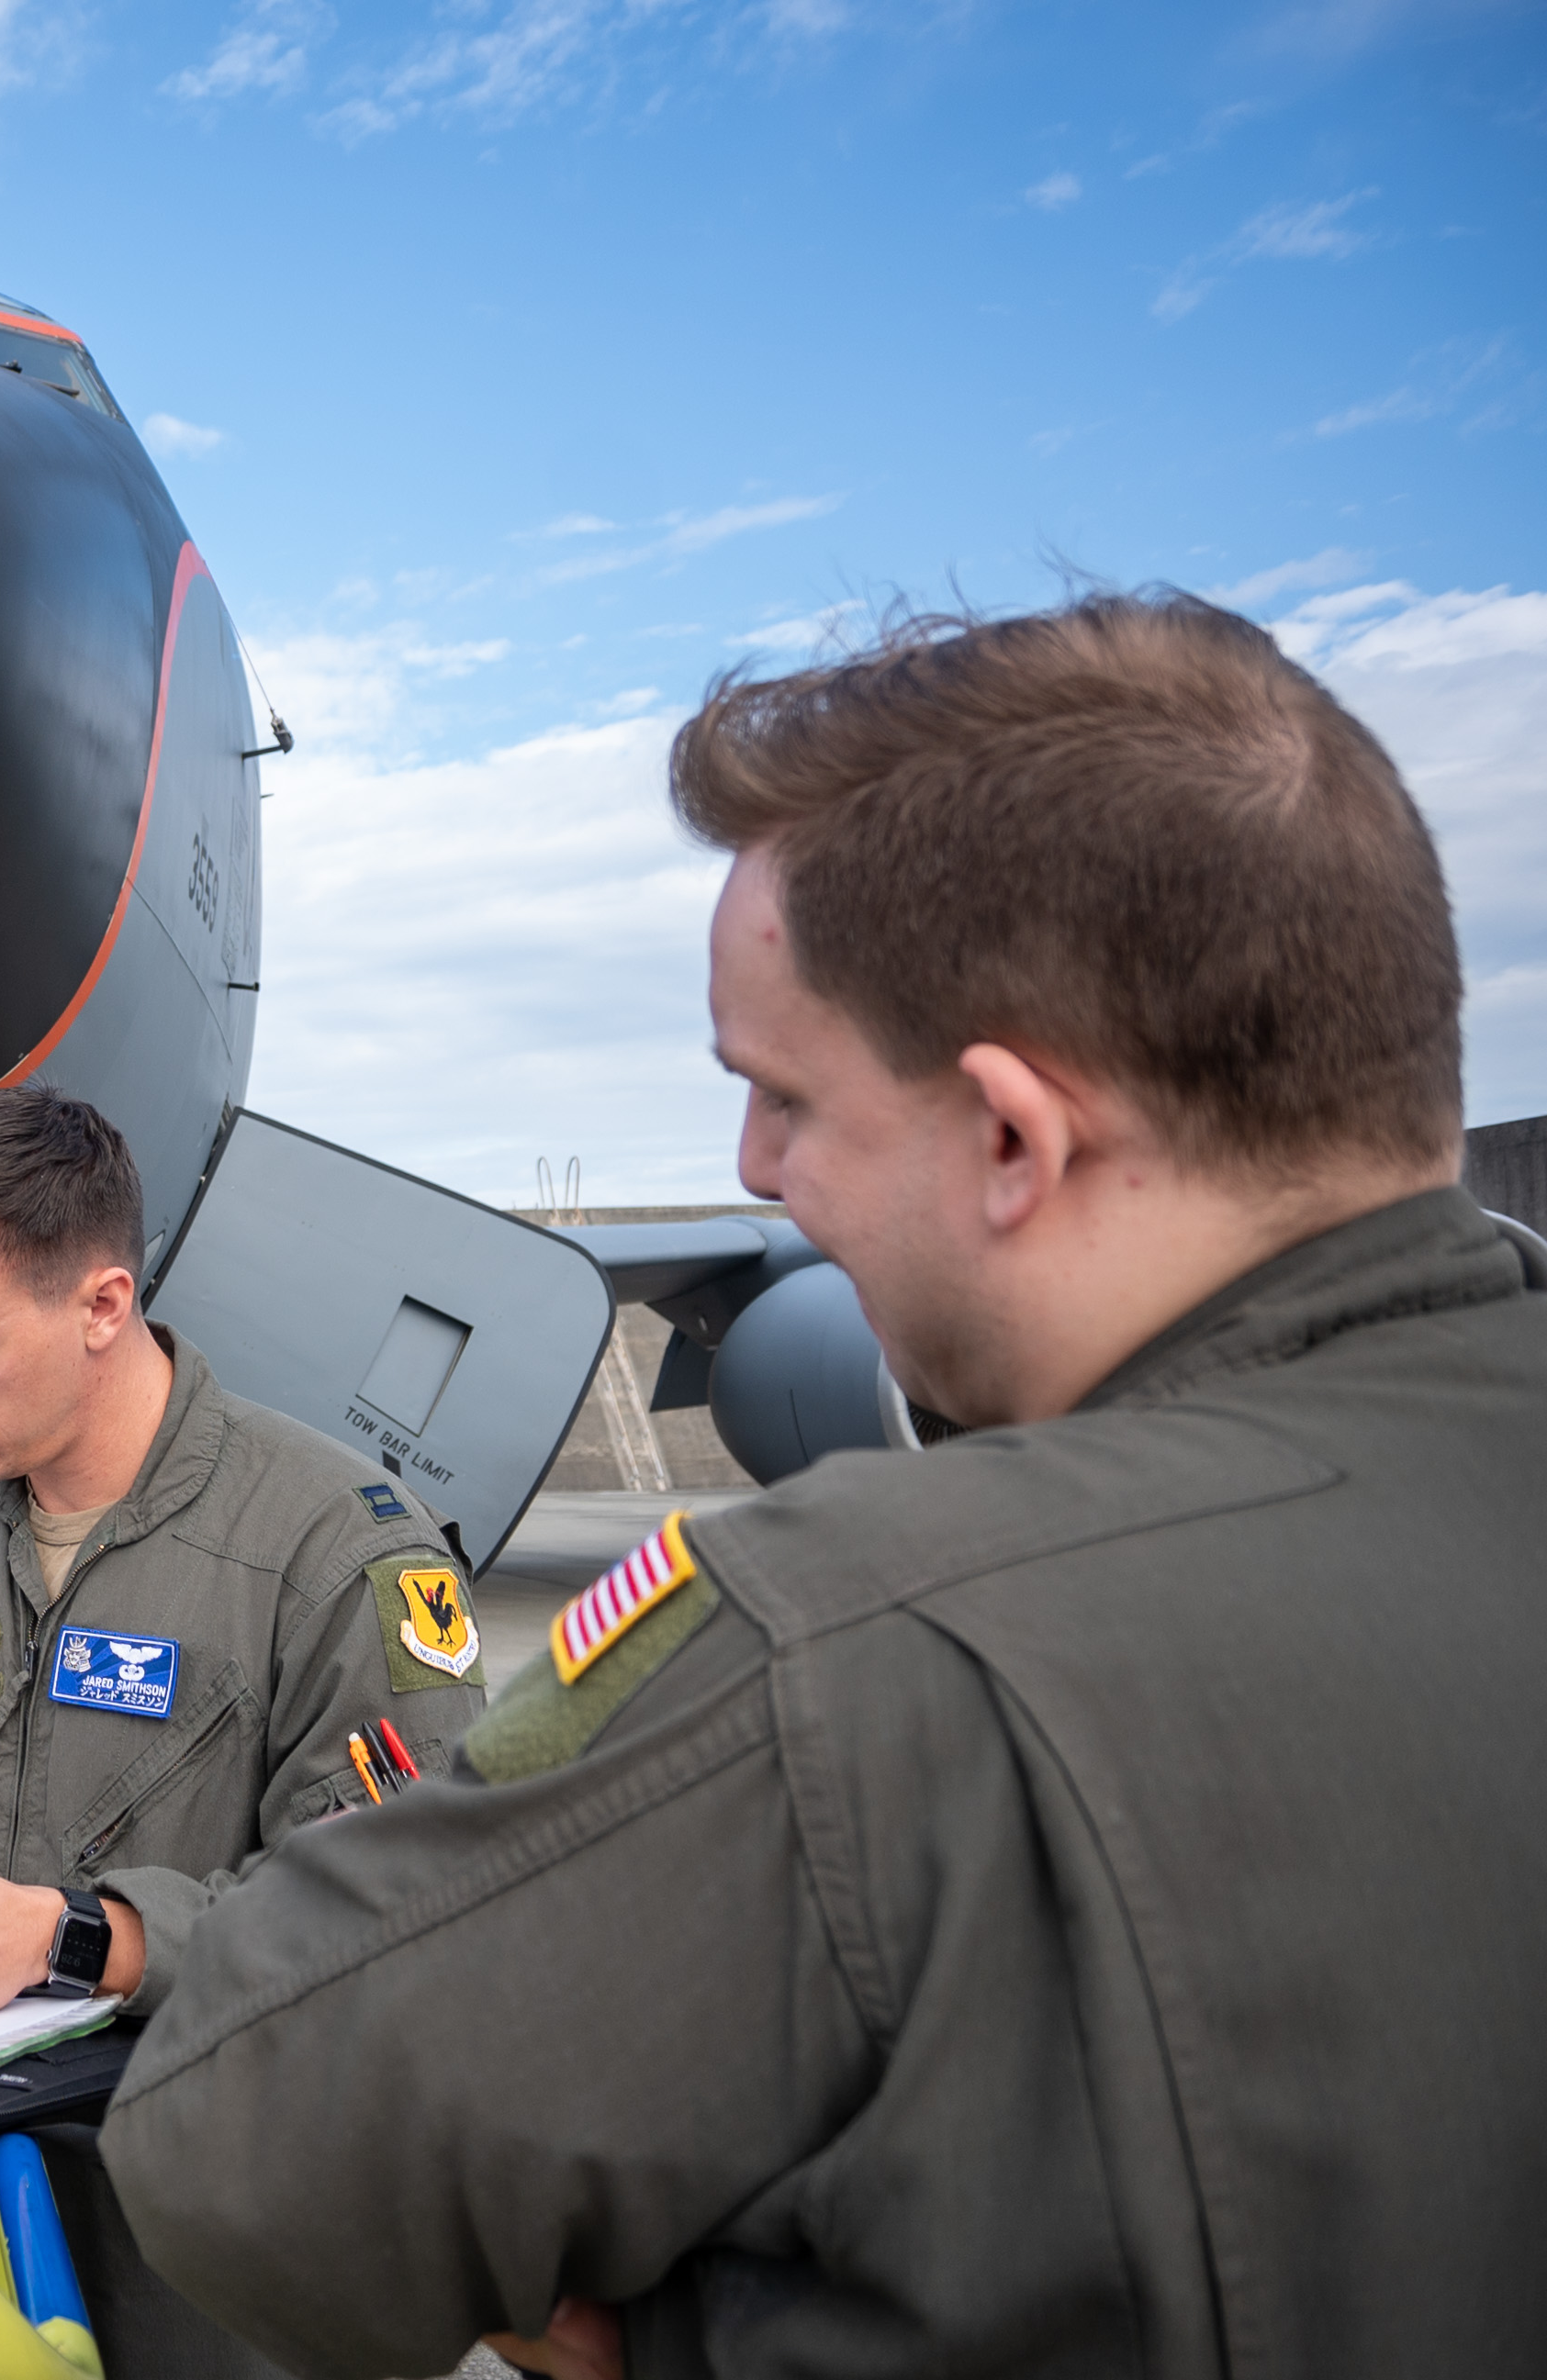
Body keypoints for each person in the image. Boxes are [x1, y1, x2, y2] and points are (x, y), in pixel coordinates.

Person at [102, 592, 1547, 2378]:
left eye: (781, 1094)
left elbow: (237, 2151)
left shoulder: (854, 1639)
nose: (754, 1167)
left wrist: (689, 2321)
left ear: (1013, 1137)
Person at [0, 1081, 481, 2377]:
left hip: (227, 2272)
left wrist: (78, 1936)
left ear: (102, 1306)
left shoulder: (332, 1548)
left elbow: (407, 1910)